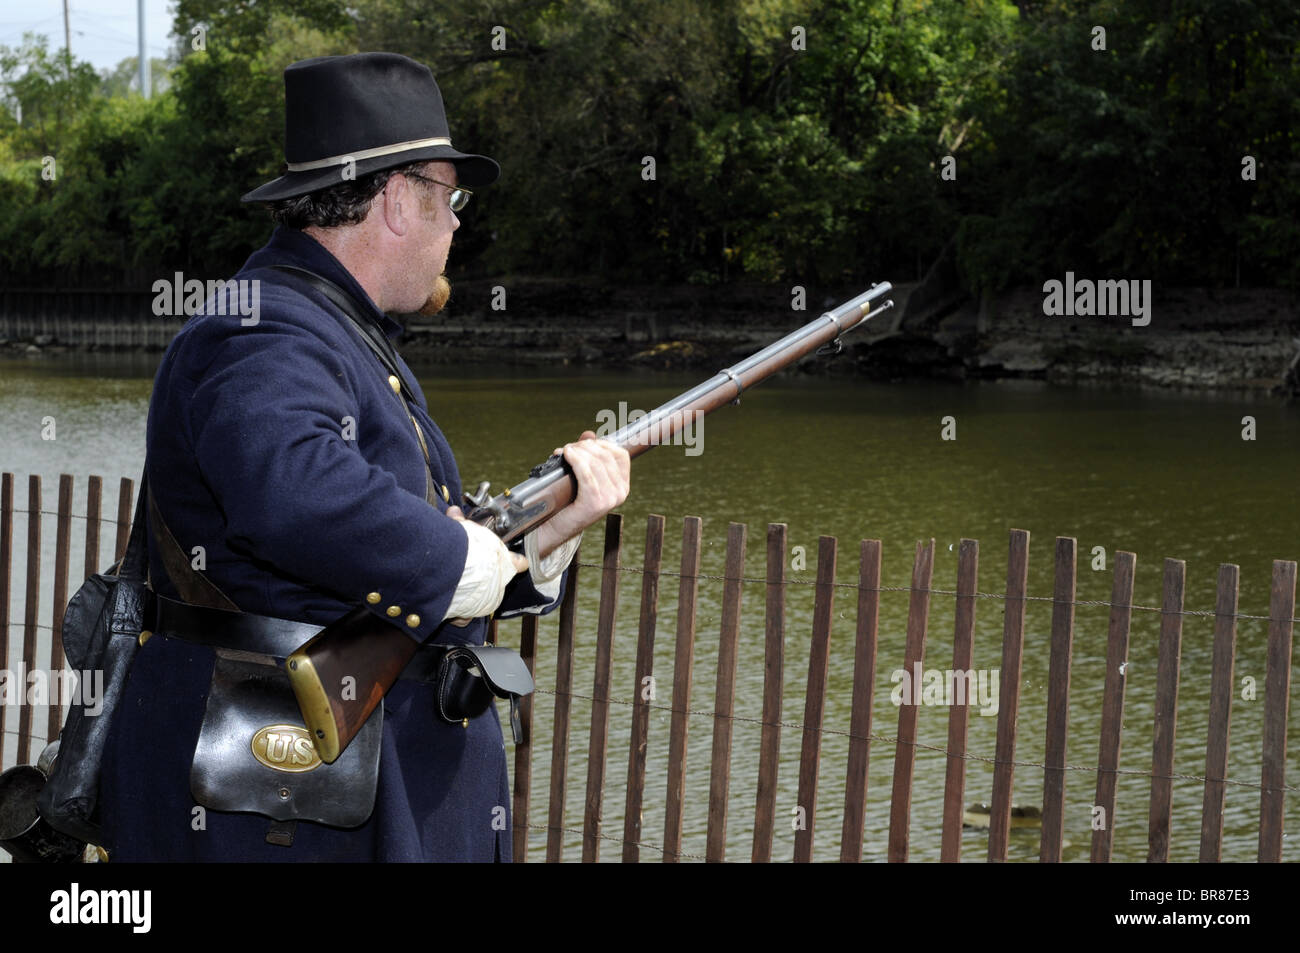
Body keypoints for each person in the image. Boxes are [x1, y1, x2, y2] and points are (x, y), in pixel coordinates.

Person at [98, 52, 629, 862]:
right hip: (277, 814)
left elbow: (374, 554)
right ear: (393, 200)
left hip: (332, 796)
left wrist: (539, 541)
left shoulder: (333, 328)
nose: (456, 224)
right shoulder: (267, 329)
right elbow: (294, 492)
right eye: (448, 199)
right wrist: (457, 556)